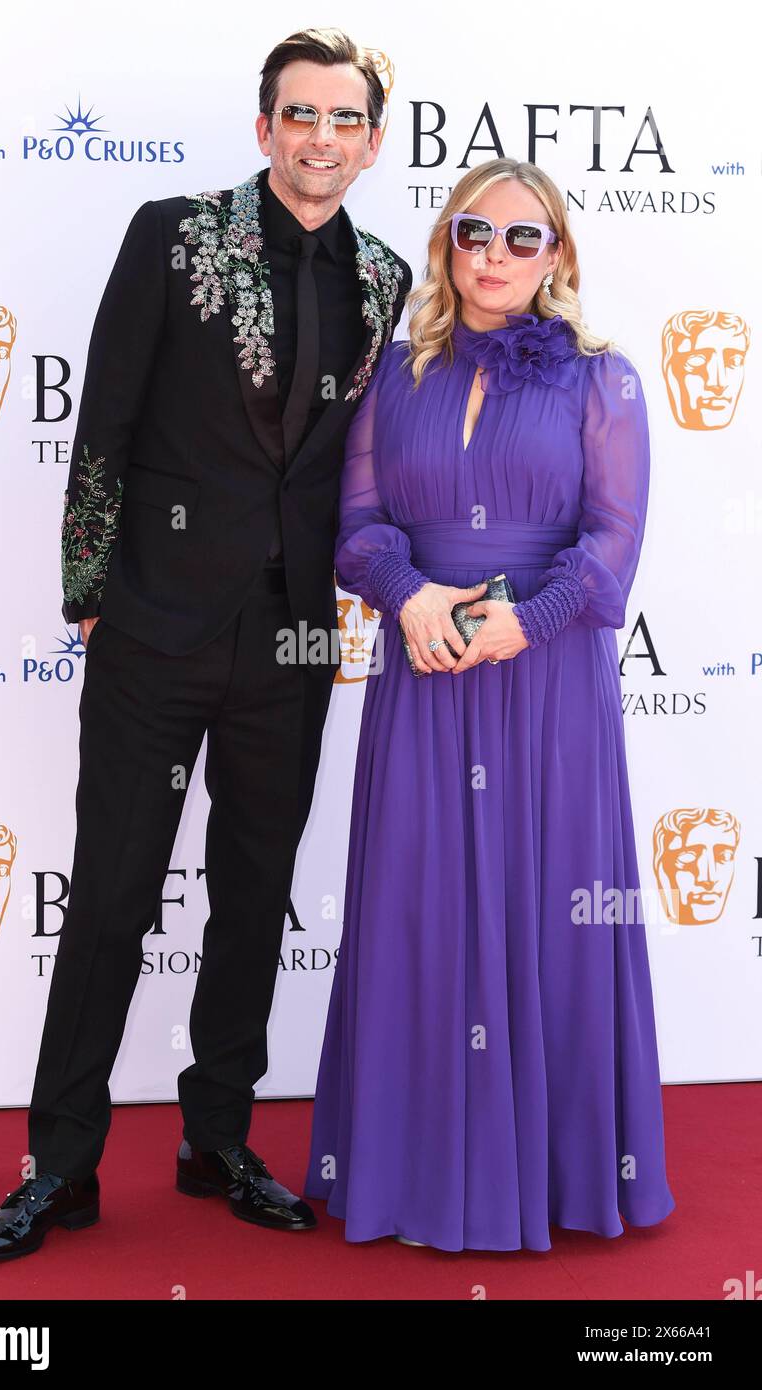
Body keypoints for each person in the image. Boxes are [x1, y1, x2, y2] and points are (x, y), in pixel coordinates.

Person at [0, 27, 412, 1263]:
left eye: (345, 118)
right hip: (155, 621)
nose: (322, 135)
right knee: (111, 891)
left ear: (372, 140)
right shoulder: (174, 231)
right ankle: (61, 1167)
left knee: (255, 894)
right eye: (300, 113)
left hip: (296, 633)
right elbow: (102, 412)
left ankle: (217, 1138)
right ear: (265, 127)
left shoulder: (383, 276)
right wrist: (92, 589)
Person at [304, 157, 676, 1252]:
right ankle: (414, 1169)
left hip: (547, 679)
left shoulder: (602, 380)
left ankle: (563, 1174)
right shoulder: (398, 374)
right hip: (425, 673)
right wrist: (406, 592)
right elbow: (359, 522)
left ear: (557, 254)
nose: (496, 255)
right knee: (420, 908)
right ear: (445, 245)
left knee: (551, 901)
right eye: (475, 232)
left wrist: (529, 615)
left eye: (524, 237)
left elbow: (614, 544)